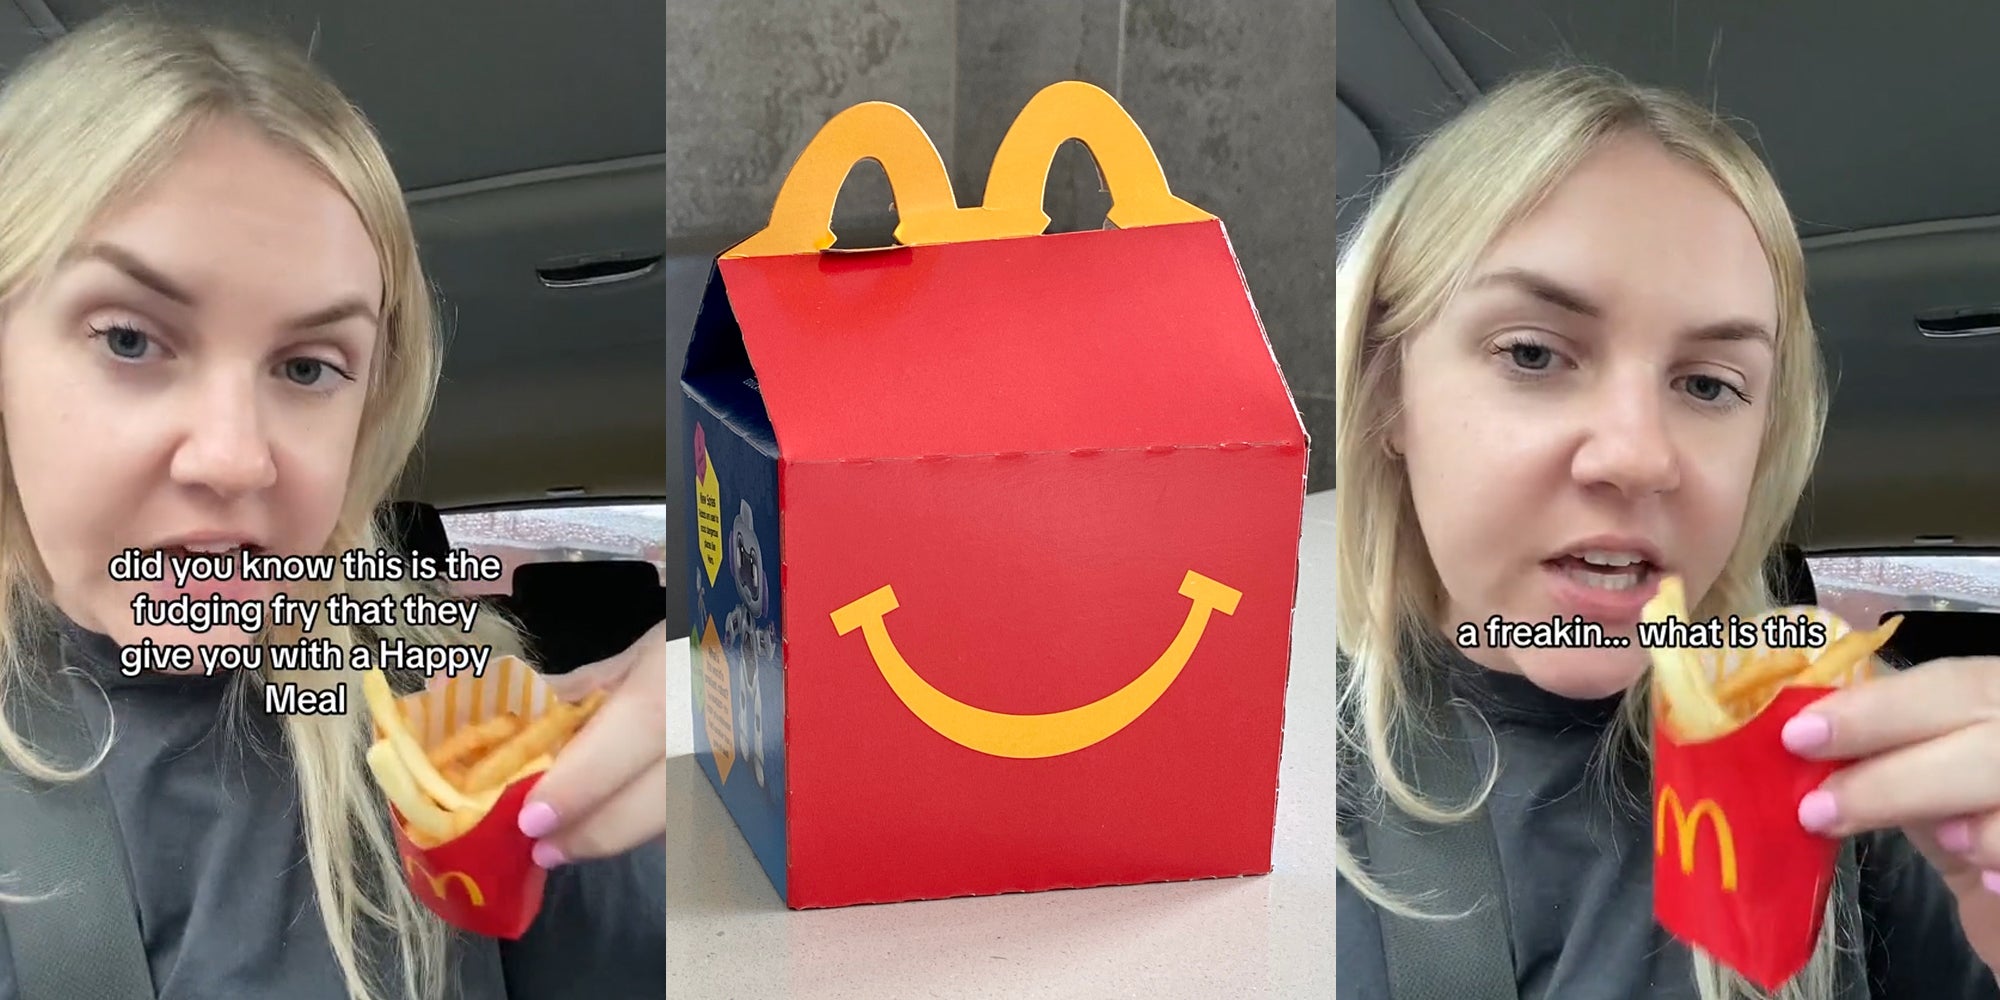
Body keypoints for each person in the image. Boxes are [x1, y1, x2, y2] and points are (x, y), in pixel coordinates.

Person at [0, 10, 666, 1000]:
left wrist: (741, 765)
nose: (233, 459)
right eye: (130, 339)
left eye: (309, 366)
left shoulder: (453, 710)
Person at [1335, 65, 2000, 999]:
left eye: (1708, 384)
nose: (1641, 457)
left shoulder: (1860, 784)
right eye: (1532, 352)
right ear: (1385, 392)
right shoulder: (1273, 792)